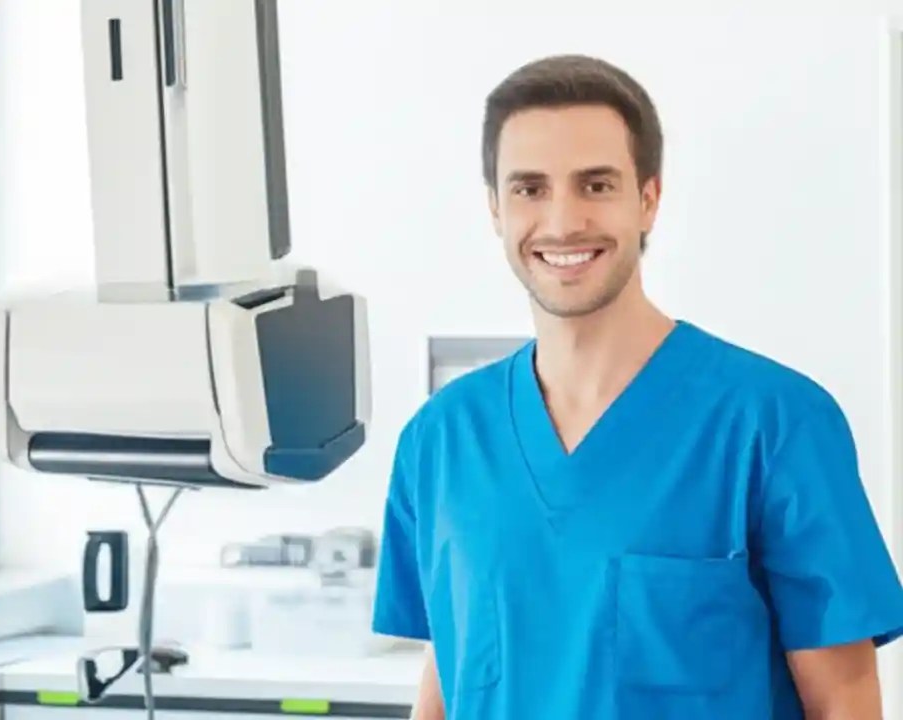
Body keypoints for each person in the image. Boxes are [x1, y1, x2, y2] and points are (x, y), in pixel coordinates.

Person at [371, 53, 903, 719]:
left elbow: (845, 701)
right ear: (495, 210)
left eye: (595, 185)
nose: (562, 221)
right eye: (529, 188)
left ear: (648, 199)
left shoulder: (774, 423)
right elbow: (447, 681)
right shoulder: (441, 439)